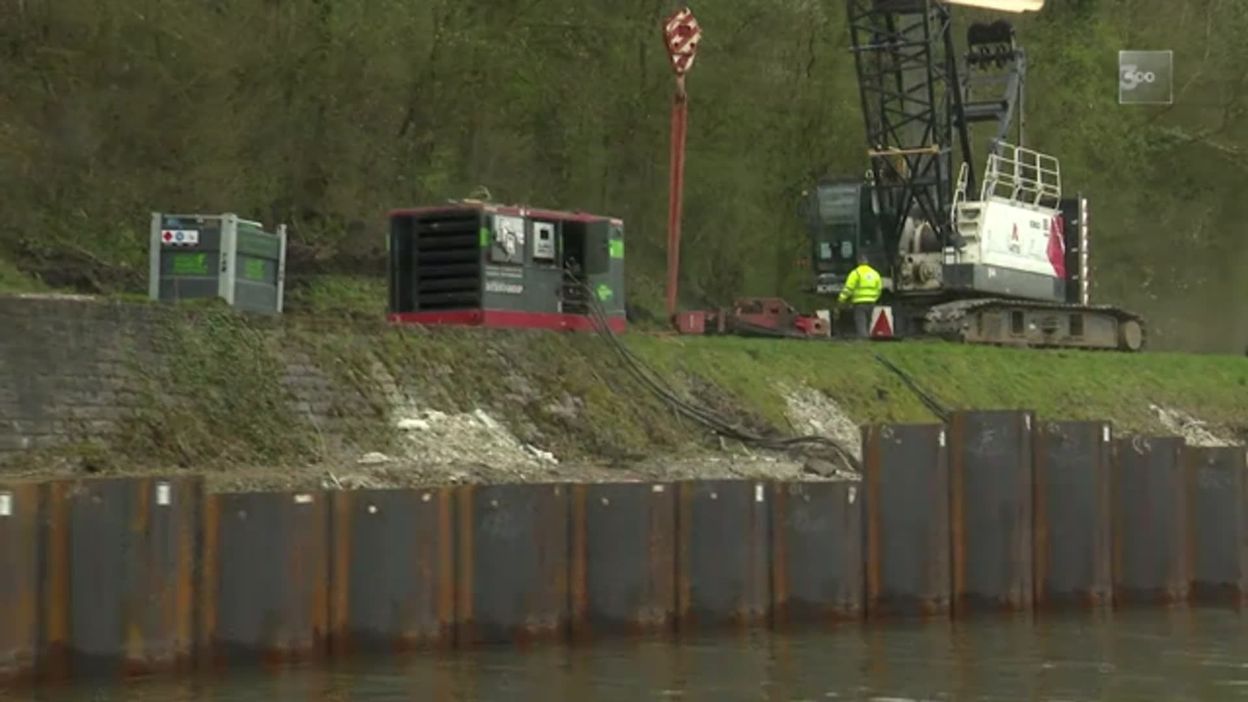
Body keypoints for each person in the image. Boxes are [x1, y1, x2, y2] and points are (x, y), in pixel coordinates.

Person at [838, 252, 883, 338]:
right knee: (868, 321)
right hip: (871, 302)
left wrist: (841, 299)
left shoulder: (855, 273)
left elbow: (848, 288)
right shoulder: (875, 273)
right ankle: (867, 337)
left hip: (859, 302)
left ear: (858, 262)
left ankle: (863, 340)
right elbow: (879, 289)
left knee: (861, 321)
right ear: (867, 262)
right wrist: (874, 298)